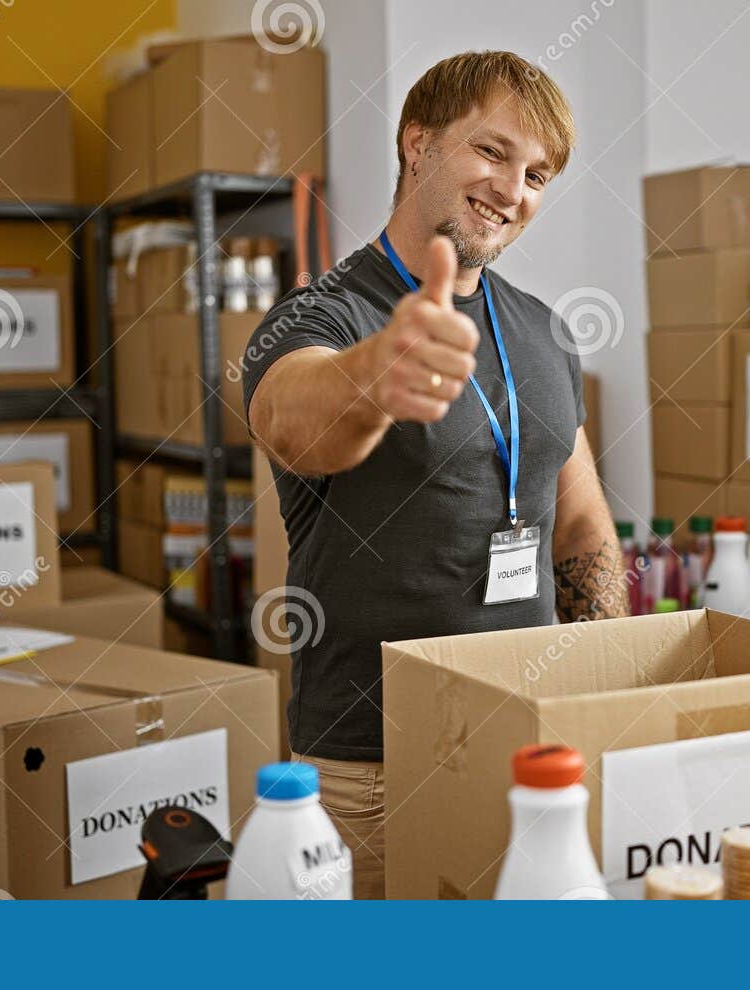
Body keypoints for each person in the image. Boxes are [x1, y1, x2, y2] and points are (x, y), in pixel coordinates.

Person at [241, 51, 627, 899]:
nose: (512, 189)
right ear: (418, 144)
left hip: (530, 748)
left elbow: (578, 517)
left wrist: (602, 688)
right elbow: (292, 421)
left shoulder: (546, 330)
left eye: (537, 173)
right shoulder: (324, 314)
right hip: (372, 765)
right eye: (491, 152)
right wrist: (374, 376)